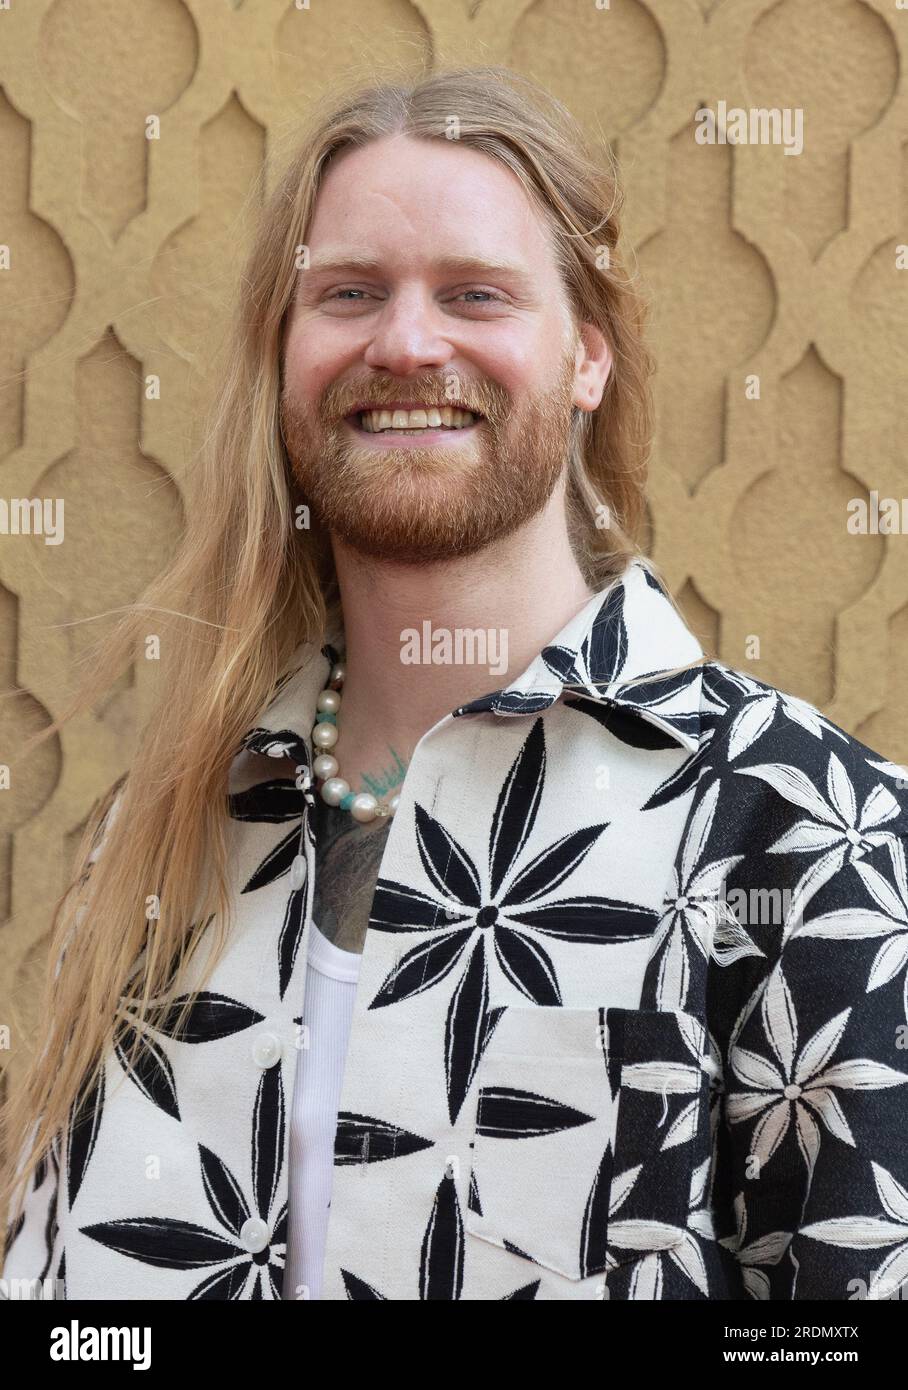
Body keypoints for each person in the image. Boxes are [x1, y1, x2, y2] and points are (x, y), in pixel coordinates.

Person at [3, 66, 907, 1303]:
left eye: (475, 293)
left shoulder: (806, 844)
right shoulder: (158, 840)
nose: (406, 341)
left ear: (586, 358)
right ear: (282, 359)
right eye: (349, 293)